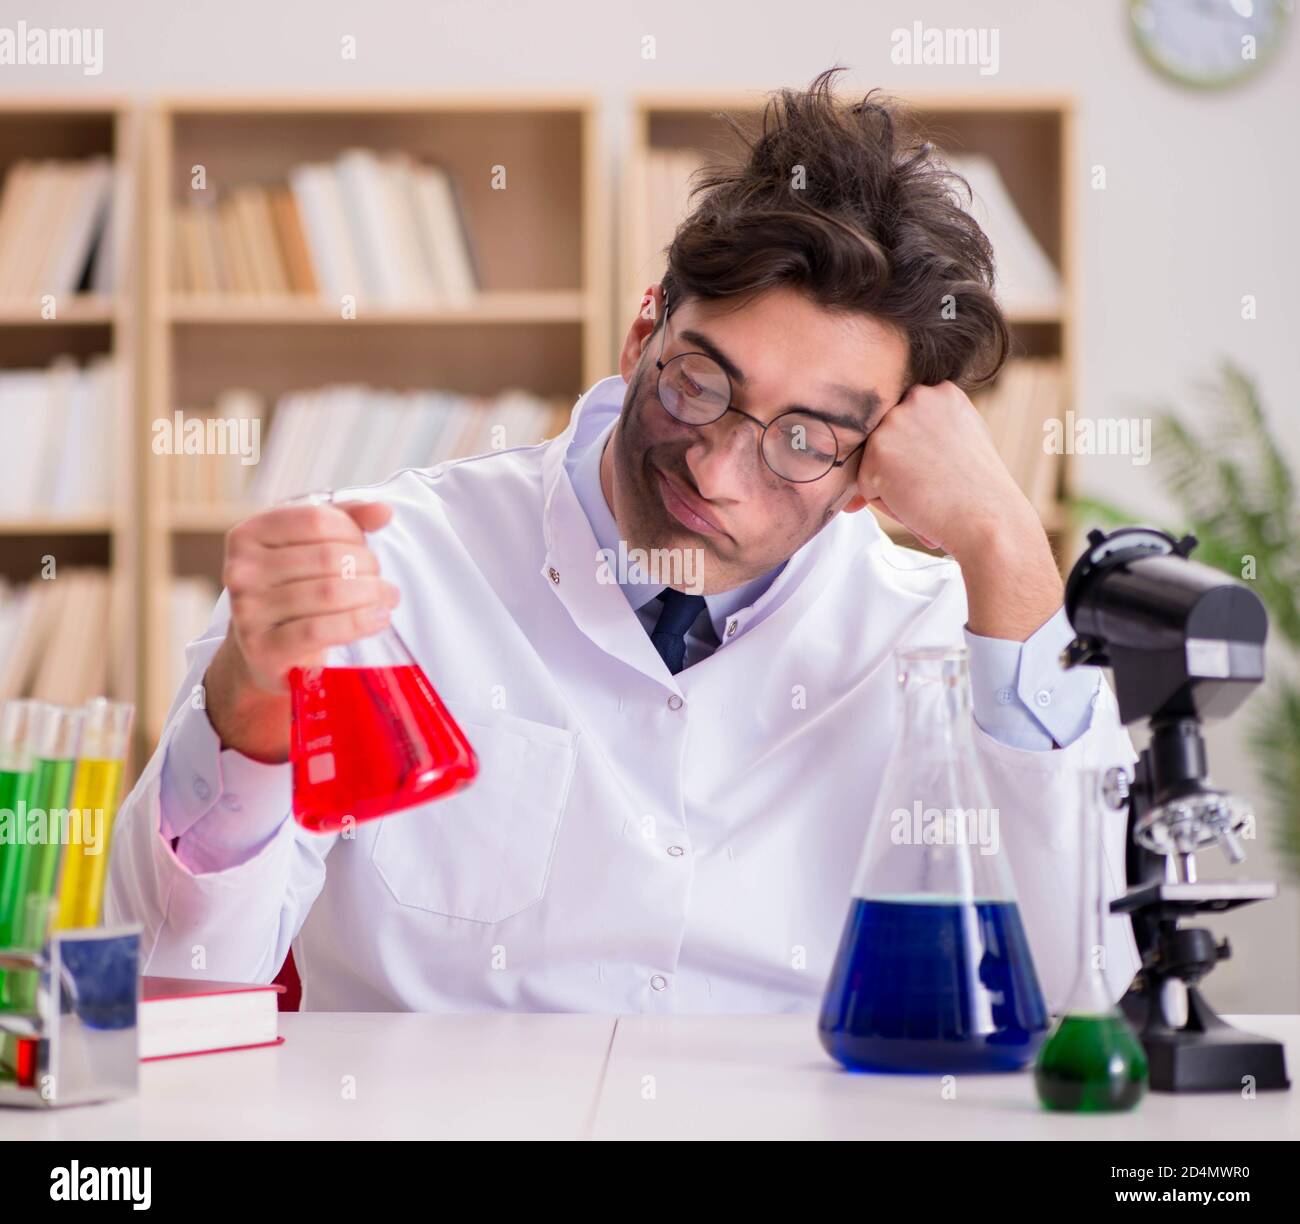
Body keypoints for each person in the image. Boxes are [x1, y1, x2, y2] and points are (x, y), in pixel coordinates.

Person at [107, 69, 1138, 1013]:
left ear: (875, 468)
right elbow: (177, 981)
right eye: (700, 384)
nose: (715, 469)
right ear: (643, 331)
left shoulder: (941, 637)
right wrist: (248, 716)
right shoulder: (378, 568)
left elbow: (1087, 984)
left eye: (802, 439)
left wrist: (1006, 545)